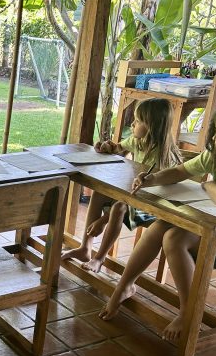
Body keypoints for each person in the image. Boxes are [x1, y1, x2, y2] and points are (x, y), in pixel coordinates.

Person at [100, 97, 216, 341]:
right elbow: (180, 171)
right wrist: (152, 179)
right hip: (213, 224)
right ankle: (125, 286)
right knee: (159, 227)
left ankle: (188, 310)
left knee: (174, 239)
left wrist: (209, 185)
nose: (215, 137)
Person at [60, 98, 181, 273]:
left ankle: (99, 258)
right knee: (99, 193)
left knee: (118, 207)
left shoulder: (163, 158)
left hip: (154, 206)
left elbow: (146, 195)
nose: (132, 124)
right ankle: (85, 248)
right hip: (134, 195)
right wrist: (106, 147)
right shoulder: (138, 141)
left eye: (138, 121)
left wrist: (102, 221)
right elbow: (117, 148)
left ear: (152, 126)